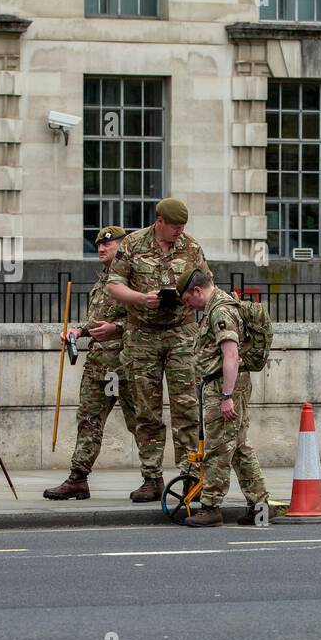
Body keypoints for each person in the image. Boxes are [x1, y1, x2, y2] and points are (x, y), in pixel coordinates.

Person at [105, 198, 209, 502]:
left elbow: (206, 285)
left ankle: (190, 477)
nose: (179, 231)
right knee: (146, 411)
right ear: (159, 221)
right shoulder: (134, 244)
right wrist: (140, 298)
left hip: (181, 335)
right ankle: (151, 478)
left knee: (187, 409)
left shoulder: (191, 247)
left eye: (183, 227)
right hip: (142, 335)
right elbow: (114, 284)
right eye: (175, 226)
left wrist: (185, 296)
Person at [177, 266, 276, 527]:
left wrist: (226, 395)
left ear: (197, 290)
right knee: (239, 448)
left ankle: (211, 507)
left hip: (224, 385)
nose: (190, 306)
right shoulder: (218, 307)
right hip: (226, 385)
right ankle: (260, 505)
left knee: (218, 447)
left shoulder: (220, 311)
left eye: (189, 300)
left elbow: (231, 356)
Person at [44, 226, 137, 500]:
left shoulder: (133, 281)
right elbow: (96, 321)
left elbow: (144, 319)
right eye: (99, 244)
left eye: (108, 244)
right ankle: (78, 478)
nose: (101, 248)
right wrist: (79, 331)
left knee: (140, 422)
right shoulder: (102, 282)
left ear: (122, 247)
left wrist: (116, 328)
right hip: (98, 365)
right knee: (88, 420)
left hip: (125, 364)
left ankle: (152, 478)